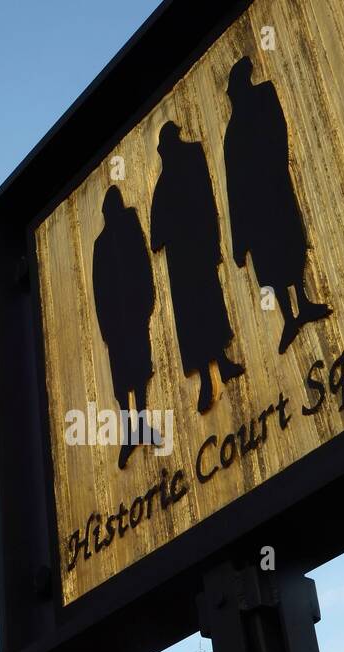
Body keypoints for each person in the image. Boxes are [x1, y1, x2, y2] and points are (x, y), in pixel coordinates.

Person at [223, 56, 331, 355]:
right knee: (271, 261)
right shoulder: (231, 131)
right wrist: (239, 240)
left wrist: (275, 169)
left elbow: (280, 133)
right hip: (256, 205)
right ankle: (289, 318)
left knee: (288, 246)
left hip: (273, 188)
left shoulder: (264, 96)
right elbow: (234, 185)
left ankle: (305, 302)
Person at [150, 121, 245, 414]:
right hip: (190, 256)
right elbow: (156, 239)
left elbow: (203, 202)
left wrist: (210, 241)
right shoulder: (168, 180)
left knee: (203, 309)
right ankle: (210, 375)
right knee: (201, 310)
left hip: (193, 253)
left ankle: (217, 368)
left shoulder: (183, 166)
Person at [91, 185, 158, 469]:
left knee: (140, 371)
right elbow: (99, 288)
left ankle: (142, 424)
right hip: (116, 324)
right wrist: (106, 328)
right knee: (122, 383)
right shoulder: (101, 243)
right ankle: (130, 431)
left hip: (134, 313)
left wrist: (147, 299)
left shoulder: (130, 225)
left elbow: (143, 261)